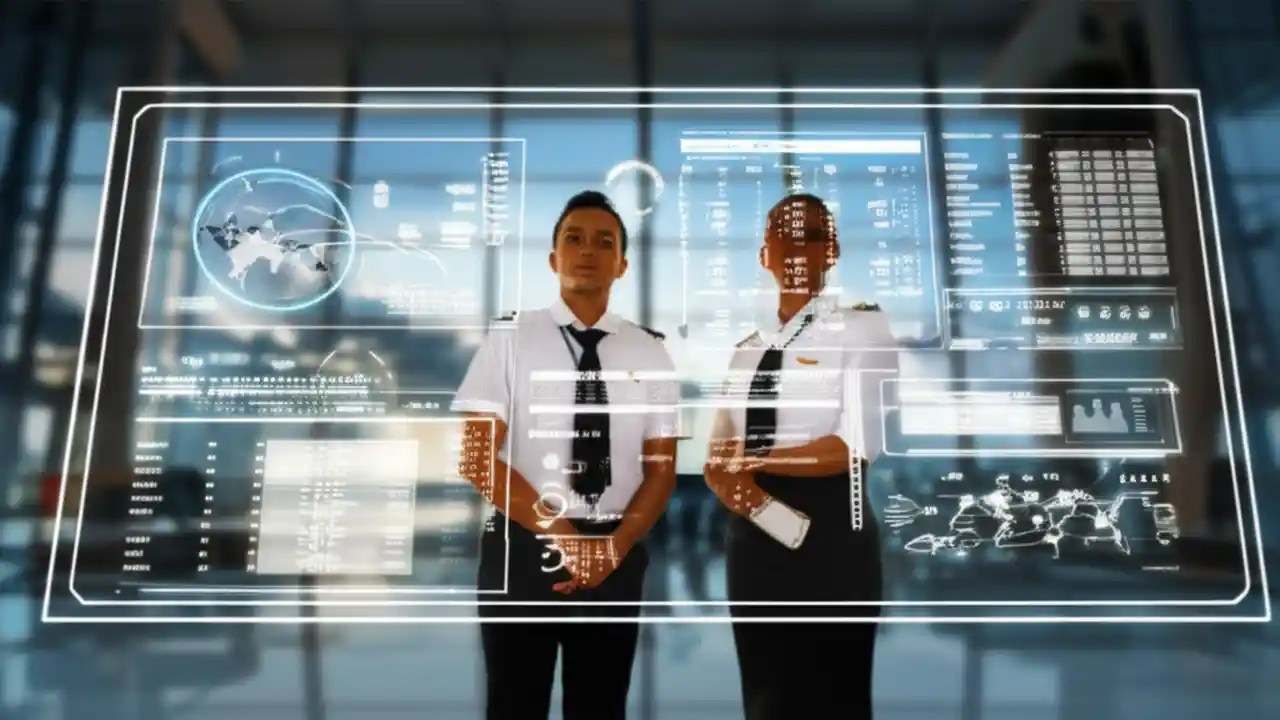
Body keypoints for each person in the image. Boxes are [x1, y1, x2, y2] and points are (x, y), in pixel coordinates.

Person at [452, 190, 680, 720]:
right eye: (573, 238)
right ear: (553, 259)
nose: (588, 250)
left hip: (616, 552)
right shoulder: (511, 337)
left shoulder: (650, 350)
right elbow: (476, 457)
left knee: (601, 706)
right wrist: (565, 537)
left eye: (605, 242)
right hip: (523, 543)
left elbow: (661, 471)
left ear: (622, 264)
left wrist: (613, 546)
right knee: (514, 703)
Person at [704, 193, 898, 720]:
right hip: (753, 533)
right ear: (764, 253)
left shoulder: (865, 329)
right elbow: (717, 455)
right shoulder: (746, 348)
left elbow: (856, 446)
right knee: (765, 698)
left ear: (831, 250)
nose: (795, 244)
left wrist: (750, 462)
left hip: (833, 530)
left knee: (837, 699)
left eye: (810, 234)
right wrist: (743, 491)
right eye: (782, 233)